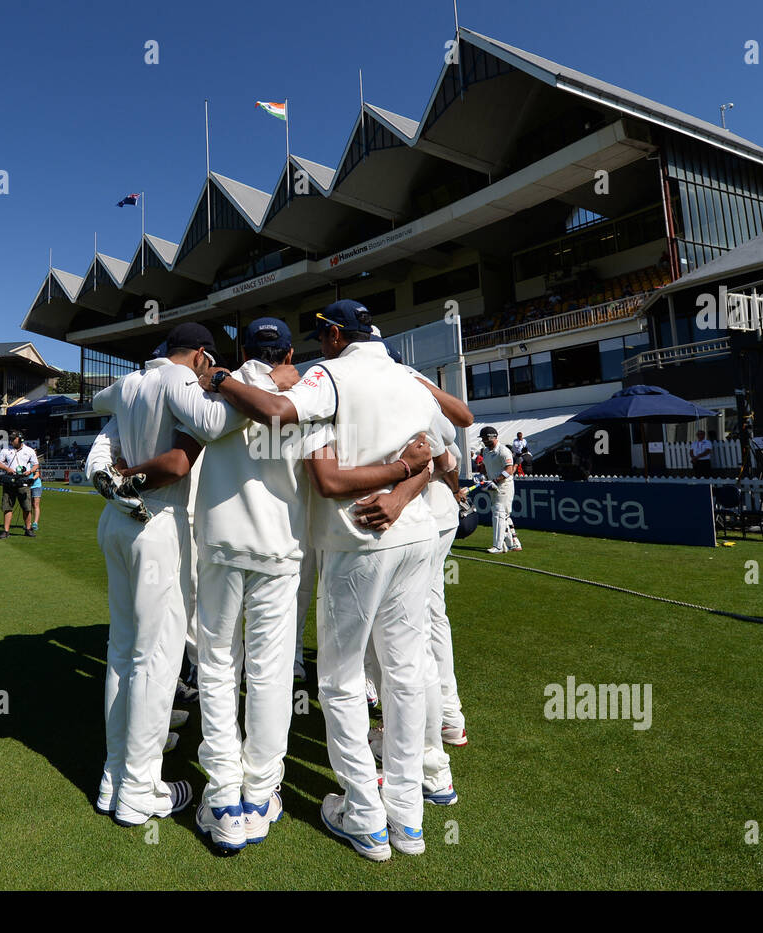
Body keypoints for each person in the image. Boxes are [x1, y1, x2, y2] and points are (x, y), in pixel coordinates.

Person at [212, 299, 456, 862]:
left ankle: (366, 818)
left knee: (343, 679)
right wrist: (399, 493)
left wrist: (222, 378)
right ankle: (409, 818)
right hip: (416, 534)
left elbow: (276, 411)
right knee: (403, 670)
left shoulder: (332, 375)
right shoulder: (408, 377)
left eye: (323, 336)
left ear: (333, 337)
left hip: (357, 539)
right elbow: (437, 455)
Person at [87, 322, 226, 828]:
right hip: (157, 521)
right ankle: (141, 790)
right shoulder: (179, 378)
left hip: (116, 523)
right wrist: (217, 381)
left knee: (122, 653)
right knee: (156, 659)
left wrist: (113, 471)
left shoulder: (128, 384)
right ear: (201, 355)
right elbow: (204, 432)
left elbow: (102, 402)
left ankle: (114, 777)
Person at [479, 426, 521, 553]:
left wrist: (496, 480)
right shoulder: (486, 451)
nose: (484, 441)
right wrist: (482, 476)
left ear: (493, 437)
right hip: (492, 485)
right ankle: (514, 543)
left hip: (504, 486)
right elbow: (485, 467)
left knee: (498, 513)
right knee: (505, 515)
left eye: (485, 438)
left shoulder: (503, 451)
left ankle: (498, 546)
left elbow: (509, 470)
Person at [0, 431, 39, 538]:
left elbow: (36, 464)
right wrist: (6, 468)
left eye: (13, 439)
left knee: (27, 507)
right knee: (7, 507)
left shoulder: (29, 451)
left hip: (23, 480)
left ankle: (28, 529)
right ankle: (6, 531)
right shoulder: (6, 450)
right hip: (10, 480)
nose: (11, 441)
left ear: (20, 439)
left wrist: (30, 471)